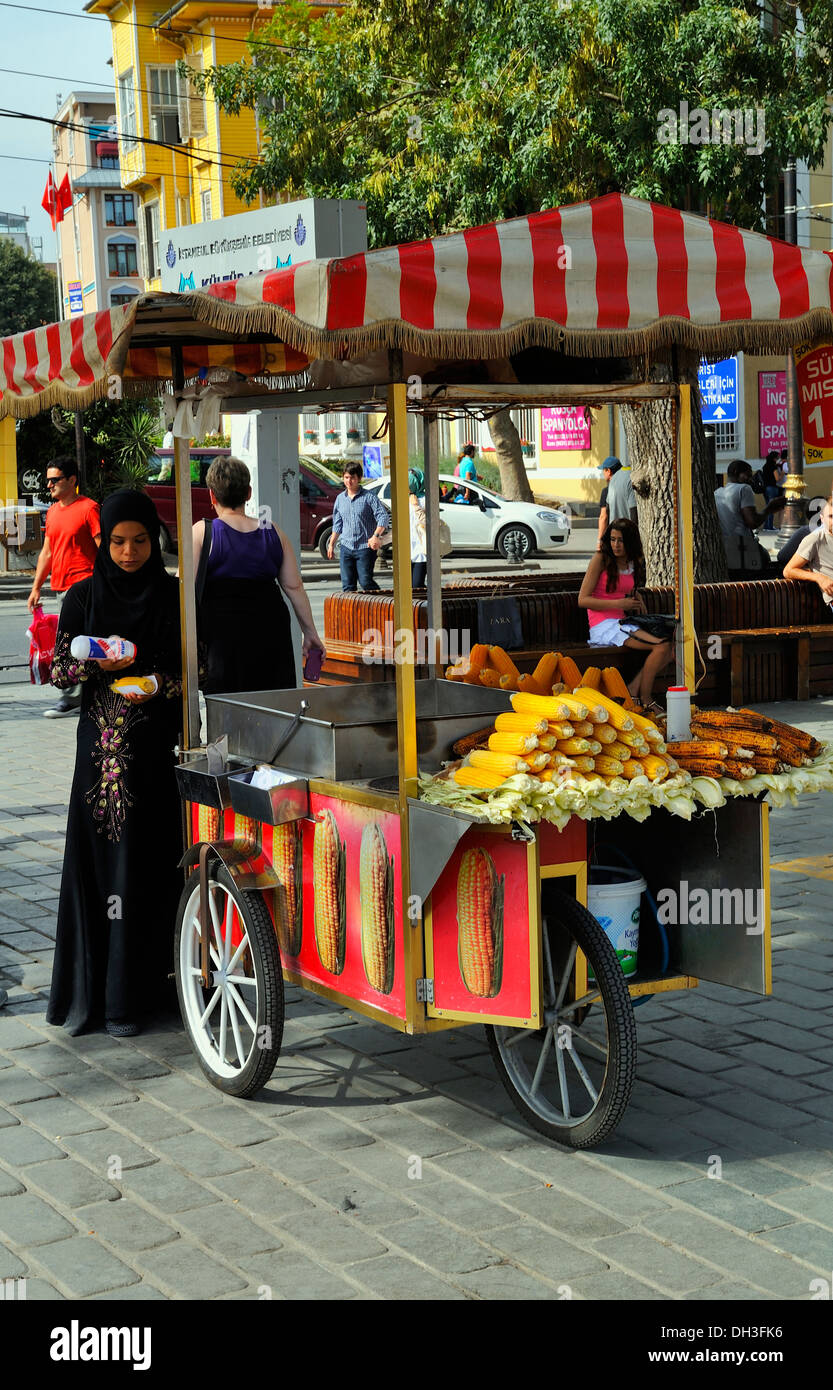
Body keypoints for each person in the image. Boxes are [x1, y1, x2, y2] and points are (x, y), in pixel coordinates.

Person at [47, 491, 183, 1037]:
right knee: (102, 866)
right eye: (120, 541)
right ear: (103, 542)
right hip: (101, 765)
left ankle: (142, 998)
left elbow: (197, 673)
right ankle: (98, 999)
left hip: (157, 755)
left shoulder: (172, 597)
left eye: (141, 541)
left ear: (156, 540)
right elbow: (57, 672)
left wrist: (156, 682)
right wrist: (90, 661)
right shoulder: (82, 598)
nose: (130, 552)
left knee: (151, 864)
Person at [194, 456, 325, 694]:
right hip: (271, 632)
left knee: (229, 715)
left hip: (223, 639)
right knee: (273, 708)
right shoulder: (272, 531)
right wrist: (310, 633)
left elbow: (182, 591)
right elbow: (294, 587)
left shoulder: (204, 532)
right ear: (249, 493)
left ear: (212, 495)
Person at [27, 457, 101, 718]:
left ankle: (73, 698)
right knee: (69, 642)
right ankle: (76, 696)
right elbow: (47, 552)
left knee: (75, 643)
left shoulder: (89, 508)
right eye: (48, 480)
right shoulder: (54, 511)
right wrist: (36, 588)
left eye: (54, 479)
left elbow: (103, 547)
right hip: (60, 586)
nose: (49, 485)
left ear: (72, 480)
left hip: (84, 585)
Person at [578, 517, 673, 709]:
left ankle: (632, 689)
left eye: (620, 540)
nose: (615, 545)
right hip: (603, 624)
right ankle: (646, 699)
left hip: (623, 622)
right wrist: (619, 602)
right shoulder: (601, 560)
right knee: (662, 647)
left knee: (673, 650)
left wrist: (638, 598)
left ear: (630, 542)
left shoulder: (632, 562)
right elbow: (583, 600)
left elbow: (624, 588)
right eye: (612, 539)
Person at [714, 458, 785, 575]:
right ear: (737, 472)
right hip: (744, 549)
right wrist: (769, 508)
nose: (750, 479)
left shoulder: (717, 493)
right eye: (747, 475)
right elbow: (752, 522)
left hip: (725, 550)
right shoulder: (744, 489)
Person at [327, 462, 390, 593]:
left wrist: (376, 536)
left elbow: (383, 517)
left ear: (359, 478)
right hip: (346, 547)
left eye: (352, 478)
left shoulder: (369, 497)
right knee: (348, 585)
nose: (349, 481)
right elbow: (338, 524)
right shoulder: (340, 499)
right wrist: (332, 544)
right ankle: (352, 613)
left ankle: (380, 605)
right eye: (346, 477)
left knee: (365, 581)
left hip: (365, 548)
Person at [783, 499, 833, 606]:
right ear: (822, 519)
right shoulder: (815, 538)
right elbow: (788, 570)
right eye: (831, 517)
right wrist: (819, 577)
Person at [598, 457, 637, 528]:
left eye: (603, 470)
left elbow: (606, 513)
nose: (603, 473)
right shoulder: (630, 476)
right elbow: (633, 509)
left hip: (616, 531)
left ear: (608, 471)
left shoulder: (611, 483)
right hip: (629, 530)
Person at [408, 468, 427, 588]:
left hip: (421, 550)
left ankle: (426, 606)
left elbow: (426, 522)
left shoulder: (425, 499)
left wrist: (416, 506)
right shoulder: (403, 499)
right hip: (407, 549)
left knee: (417, 585)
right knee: (408, 587)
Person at [761, 451, 785, 531]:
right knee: (771, 508)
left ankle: (766, 526)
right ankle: (769, 527)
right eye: (778, 458)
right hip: (772, 488)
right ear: (774, 458)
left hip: (765, 489)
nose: (779, 459)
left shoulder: (765, 466)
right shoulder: (773, 467)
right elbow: (777, 478)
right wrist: (782, 473)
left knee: (767, 507)